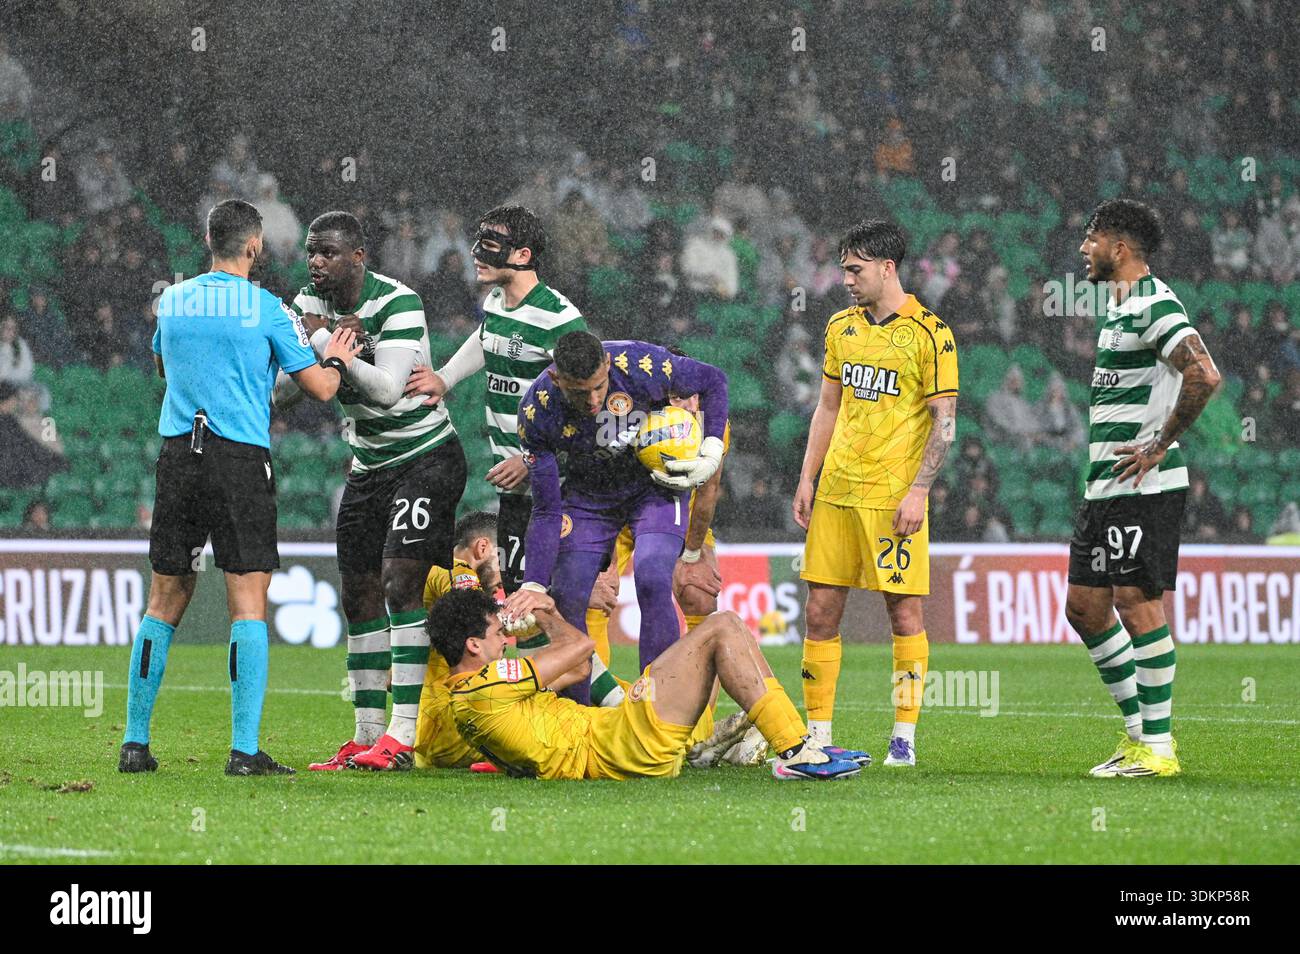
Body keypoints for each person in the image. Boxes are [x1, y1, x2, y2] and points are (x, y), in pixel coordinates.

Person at [119, 198, 359, 776]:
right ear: (254, 246)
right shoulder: (267, 308)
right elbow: (321, 391)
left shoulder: (171, 301)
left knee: (163, 600)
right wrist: (336, 355)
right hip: (238, 459)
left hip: (178, 453)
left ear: (210, 242)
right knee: (246, 602)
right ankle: (244, 751)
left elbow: (162, 369)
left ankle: (134, 743)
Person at [274, 211, 468, 773]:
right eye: (312, 251)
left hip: (426, 456)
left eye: (329, 252)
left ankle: (403, 739)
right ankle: (366, 734)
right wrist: (292, 373)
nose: (316, 262)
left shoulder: (399, 302)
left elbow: (385, 392)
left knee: (400, 581)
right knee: (356, 592)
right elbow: (296, 392)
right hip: (368, 465)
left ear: (358, 256)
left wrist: (319, 339)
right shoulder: (304, 301)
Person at [792, 219, 959, 768]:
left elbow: (945, 423)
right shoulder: (840, 326)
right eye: (844, 268)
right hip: (837, 493)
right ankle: (818, 734)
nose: (846, 279)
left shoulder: (932, 334)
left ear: (888, 268)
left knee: (904, 615)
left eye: (855, 269)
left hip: (894, 500)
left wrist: (918, 492)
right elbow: (828, 406)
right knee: (820, 612)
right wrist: (807, 477)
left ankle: (904, 737)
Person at [1065, 198, 1221, 779]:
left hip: (1144, 486)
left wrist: (1158, 444)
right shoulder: (1120, 308)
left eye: (1091, 239)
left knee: (1136, 603)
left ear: (1119, 248)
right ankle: (1138, 736)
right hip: (1106, 486)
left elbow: (1205, 373)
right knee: (1083, 607)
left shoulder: (1155, 305)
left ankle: (1158, 747)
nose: (1084, 249)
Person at [501, 332, 730, 705]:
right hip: (589, 498)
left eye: (598, 388)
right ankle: (582, 719)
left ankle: (658, 714)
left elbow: (713, 379)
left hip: (652, 489)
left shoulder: (641, 364)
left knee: (654, 576)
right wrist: (534, 584)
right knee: (568, 594)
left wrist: (712, 445)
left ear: (608, 367)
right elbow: (546, 509)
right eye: (580, 393)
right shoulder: (536, 413)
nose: (592, 402)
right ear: (557, 380)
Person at [431, 588, 866, 781]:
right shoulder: (488, 686)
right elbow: (581, 647)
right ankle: (796, 750)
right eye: (495, 636)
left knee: (710, 655)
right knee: (722, 627)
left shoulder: (470, 695)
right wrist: (545, 611)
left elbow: (579, 672)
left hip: (619, 742)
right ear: (472, 644)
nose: (505, 640)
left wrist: (548, 627)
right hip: (622, 742)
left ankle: (726, 744)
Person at [404, 206, 586, 596]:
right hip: (515, 490)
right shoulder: (496, 301)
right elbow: (487, 337)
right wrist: (445, 378)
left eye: (489, 245)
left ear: (522, 255)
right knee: (521, 602)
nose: (475, 253)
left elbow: (588, 407)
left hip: (558, 489)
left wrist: (535, 459)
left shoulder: (559, 319)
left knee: (560, 605)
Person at [412, 510, 502, 770]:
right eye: (502, 557)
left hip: (433, 728)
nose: (504, 571)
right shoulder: (457, 572)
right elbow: (474, 617)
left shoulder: (432, 570)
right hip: (454, 729)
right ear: (483, 547)